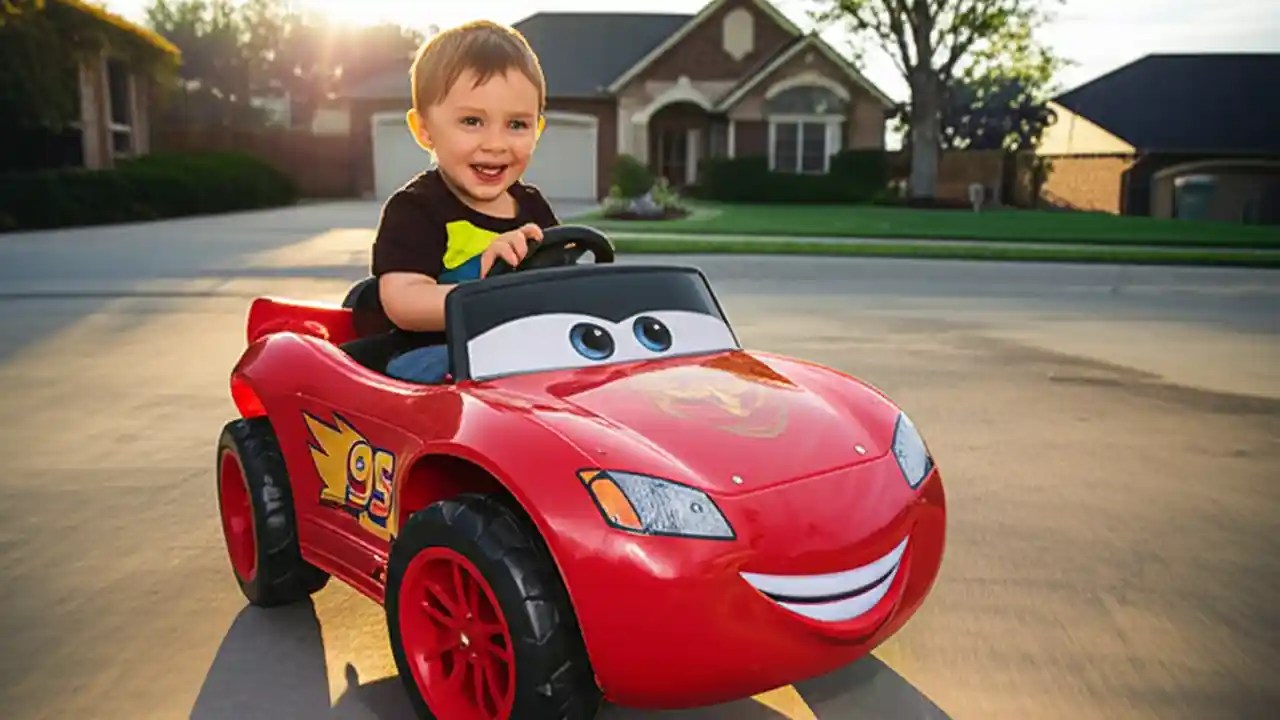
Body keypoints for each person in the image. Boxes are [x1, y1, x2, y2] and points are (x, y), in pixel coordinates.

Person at [370, 19, 560, 383]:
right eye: (472, 121)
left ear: (537, 130)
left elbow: (559, 281)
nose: (495, 144)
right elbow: (404, 302)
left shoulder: (533, 208)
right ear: (424, 130)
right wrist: (488, 293)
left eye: (517, 125)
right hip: (432, 355)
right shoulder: (416, 209)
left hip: (520, 354)